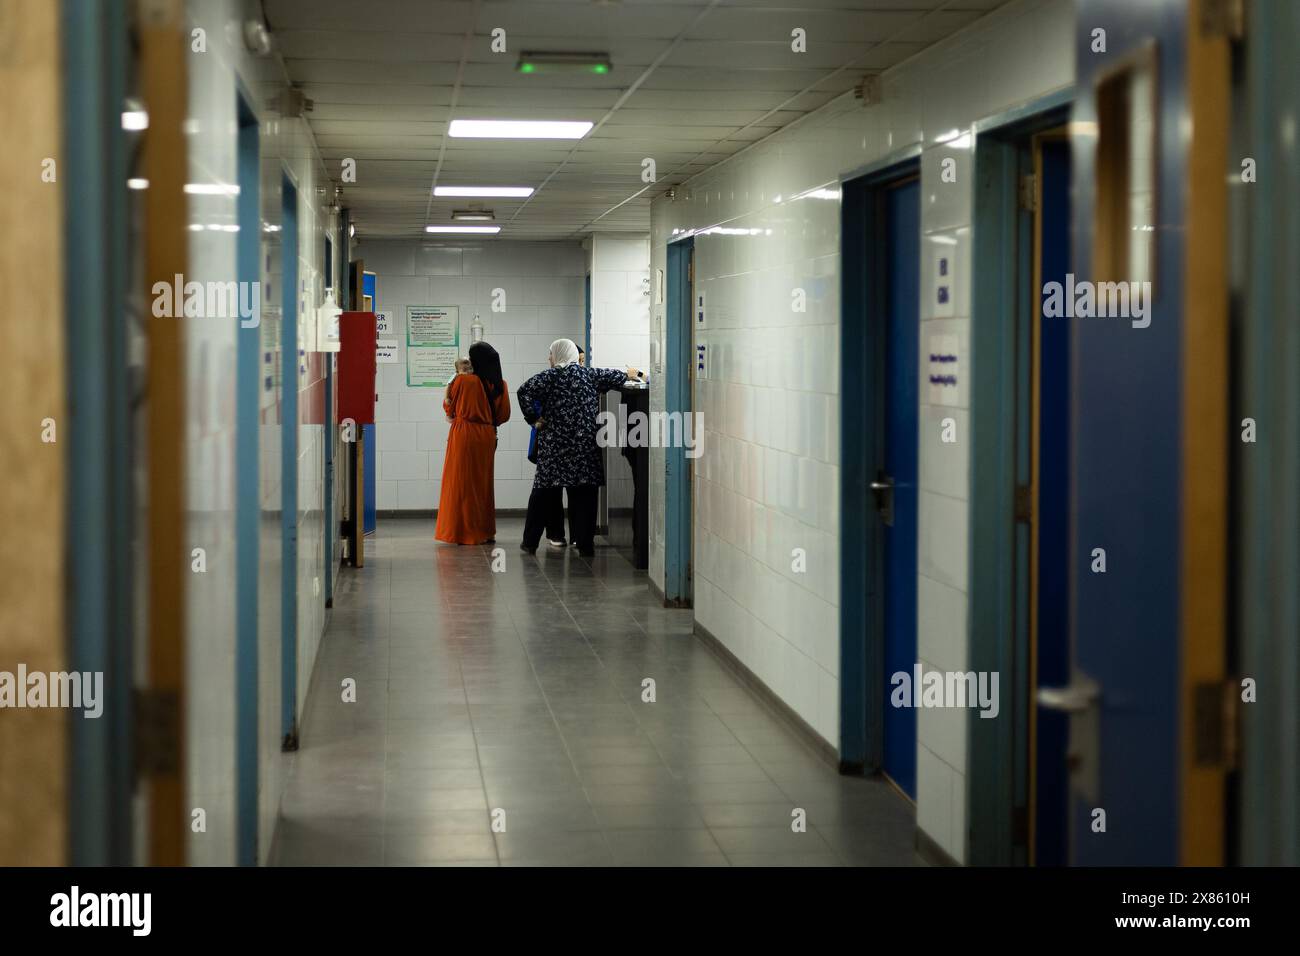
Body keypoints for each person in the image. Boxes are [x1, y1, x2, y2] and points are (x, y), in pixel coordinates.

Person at [517, 338, 633, 557]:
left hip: (554, 448)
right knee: (585, 497)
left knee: (541, 496)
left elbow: (523, 391)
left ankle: (530, 542)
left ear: (558, 354)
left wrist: (534, 418)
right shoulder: (589, 374)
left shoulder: (548, 377)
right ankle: (585, 544)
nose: (549, 358)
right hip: (584, 447)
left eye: (550, 354)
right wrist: (637, 374)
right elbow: (619, 377)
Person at [435, 341, 510, 545]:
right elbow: (503, 416)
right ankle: (486, 531)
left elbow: (449, 410)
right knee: (483, 485)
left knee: (461, 483)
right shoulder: (501, 384)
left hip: (464, 433)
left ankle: (463, 533)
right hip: (486, 435)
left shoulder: (463, 381)